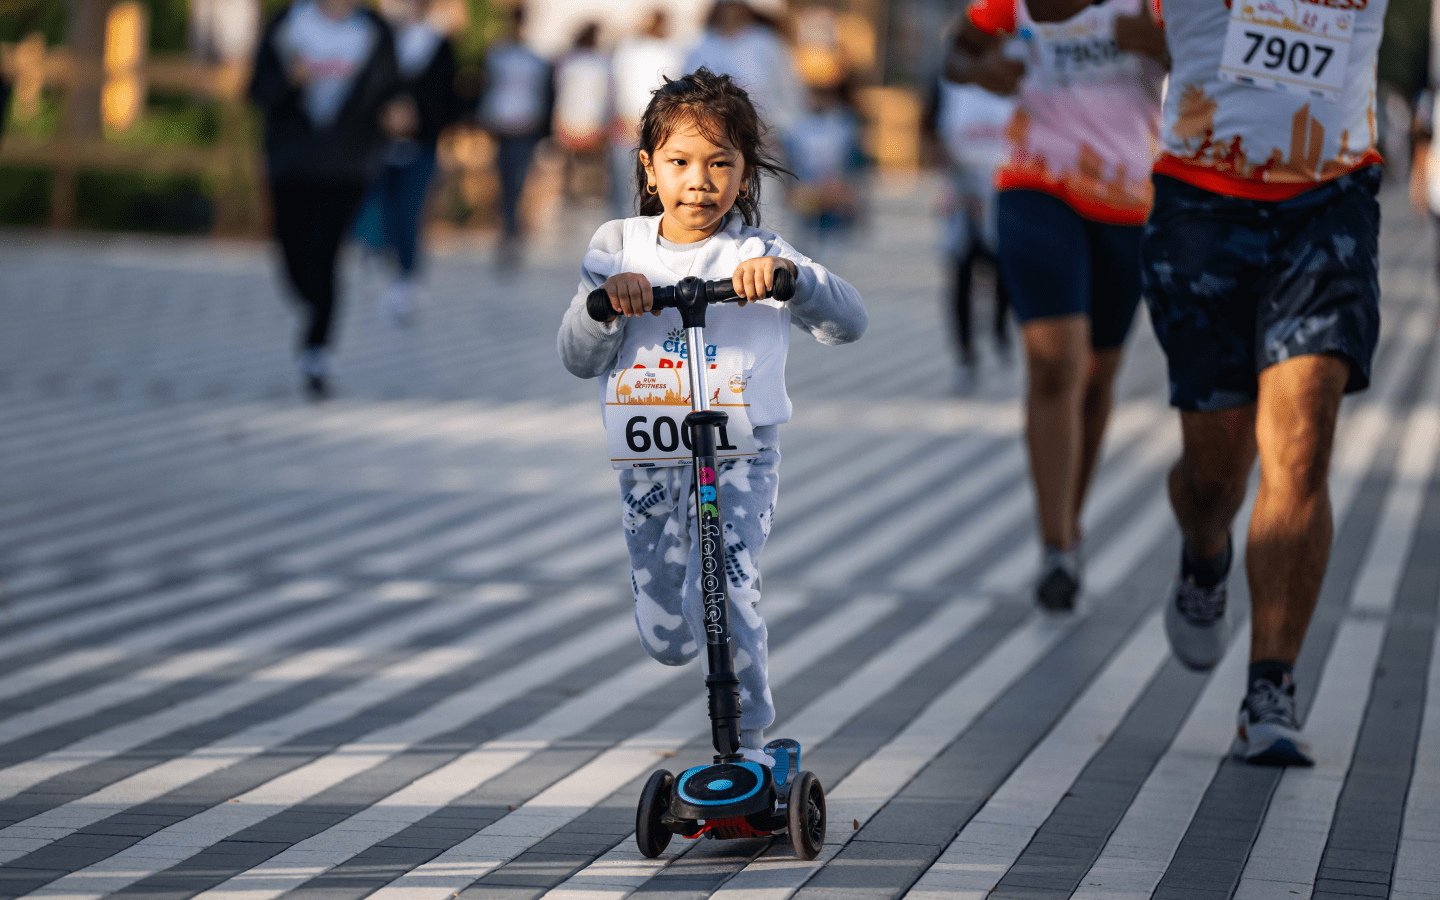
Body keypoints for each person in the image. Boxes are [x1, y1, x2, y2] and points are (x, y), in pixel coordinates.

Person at [557, 69, 866, 766]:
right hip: (648, 457)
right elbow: (575, 355)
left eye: (721, 163)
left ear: (745, 171)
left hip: (739, 455)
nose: (700, 181)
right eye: (680, 162)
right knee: (671, 630)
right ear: (649, 168)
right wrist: (605, 304)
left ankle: (747, 744)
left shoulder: (755, 251)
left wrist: (794, 283)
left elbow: (850, 321)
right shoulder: (617, 248)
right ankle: (668, 614)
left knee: (725, 582)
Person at [1142, 1, 1387, 767]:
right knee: (1216, 474)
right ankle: (1204, 546)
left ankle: (1271, 685)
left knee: (1301, 445)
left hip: (1329, 200)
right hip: (1202, 205)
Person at [945, 0, 1166, 609]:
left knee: (1097, 376)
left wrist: (1155, 39)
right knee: (1053, 363)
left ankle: (1070, 521)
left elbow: (1213, 64)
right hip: (1036, 182)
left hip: (1130, 200)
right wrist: (982, 70)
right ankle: (1055, 549)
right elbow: (957, 51)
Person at [249, 0, 404, 398]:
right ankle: (314, 307)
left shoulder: (375, 31)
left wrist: (396, 112)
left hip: (346, 165)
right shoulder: (288, 24)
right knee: (292, 258)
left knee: (326, 251)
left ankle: (316, 352)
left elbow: (390, 88)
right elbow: (256, 88)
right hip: (291, 162)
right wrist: (289, 82)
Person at [361, 0, 459, 324]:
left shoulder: (440, 45)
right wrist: (386, 117)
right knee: (384, 209)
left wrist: (417, 118)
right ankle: (388, 261)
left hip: (422, 144)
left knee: (409, 210)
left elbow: (448, 98)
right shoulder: (383, 39)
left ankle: (407, 275)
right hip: (383, 143)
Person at [925, 75, 1014, 391]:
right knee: (960, 275)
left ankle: (1001, 330)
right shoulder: (949, 83)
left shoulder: (1013, 77)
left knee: (1003, 273)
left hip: (1003, 193)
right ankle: (964, 354)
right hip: (961, 193)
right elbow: (930, 134)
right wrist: (954, 173)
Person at [477, 4, 552, 265]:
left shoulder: (535, 58)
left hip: (524, 128)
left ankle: (512, 229)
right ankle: (509, 228)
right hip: (502, 127)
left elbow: (544, 94)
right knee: (504, 180)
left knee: (518, 180)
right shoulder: (497, 55)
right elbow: (486, 88)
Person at [686, 0, 804, 137]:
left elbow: (789, 90)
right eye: (727, 6)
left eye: (735, 6)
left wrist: (784, 126)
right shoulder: (701, 44)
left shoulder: (767, 43)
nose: (730, 12)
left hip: (763, 135)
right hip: (712, 134)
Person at [609, 9, 684, 217]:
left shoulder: (631, 49)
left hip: (638, 121)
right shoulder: (668, 51)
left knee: (630, 185)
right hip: (649, 122)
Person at [784, 81, 867, 256]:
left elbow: (855, 168)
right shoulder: (794, 124)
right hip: (804, 194)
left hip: (837, 195)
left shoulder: (846, 123)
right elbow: (787, 167)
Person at [551, 22, 611, 204]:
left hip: (569, 119)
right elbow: (606, 95)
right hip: (593, 121)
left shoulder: (566, 61)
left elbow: (559, 91)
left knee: (568, 163)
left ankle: (569, 195)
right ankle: (591, 195)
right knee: (596, 162)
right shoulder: (601, 62)